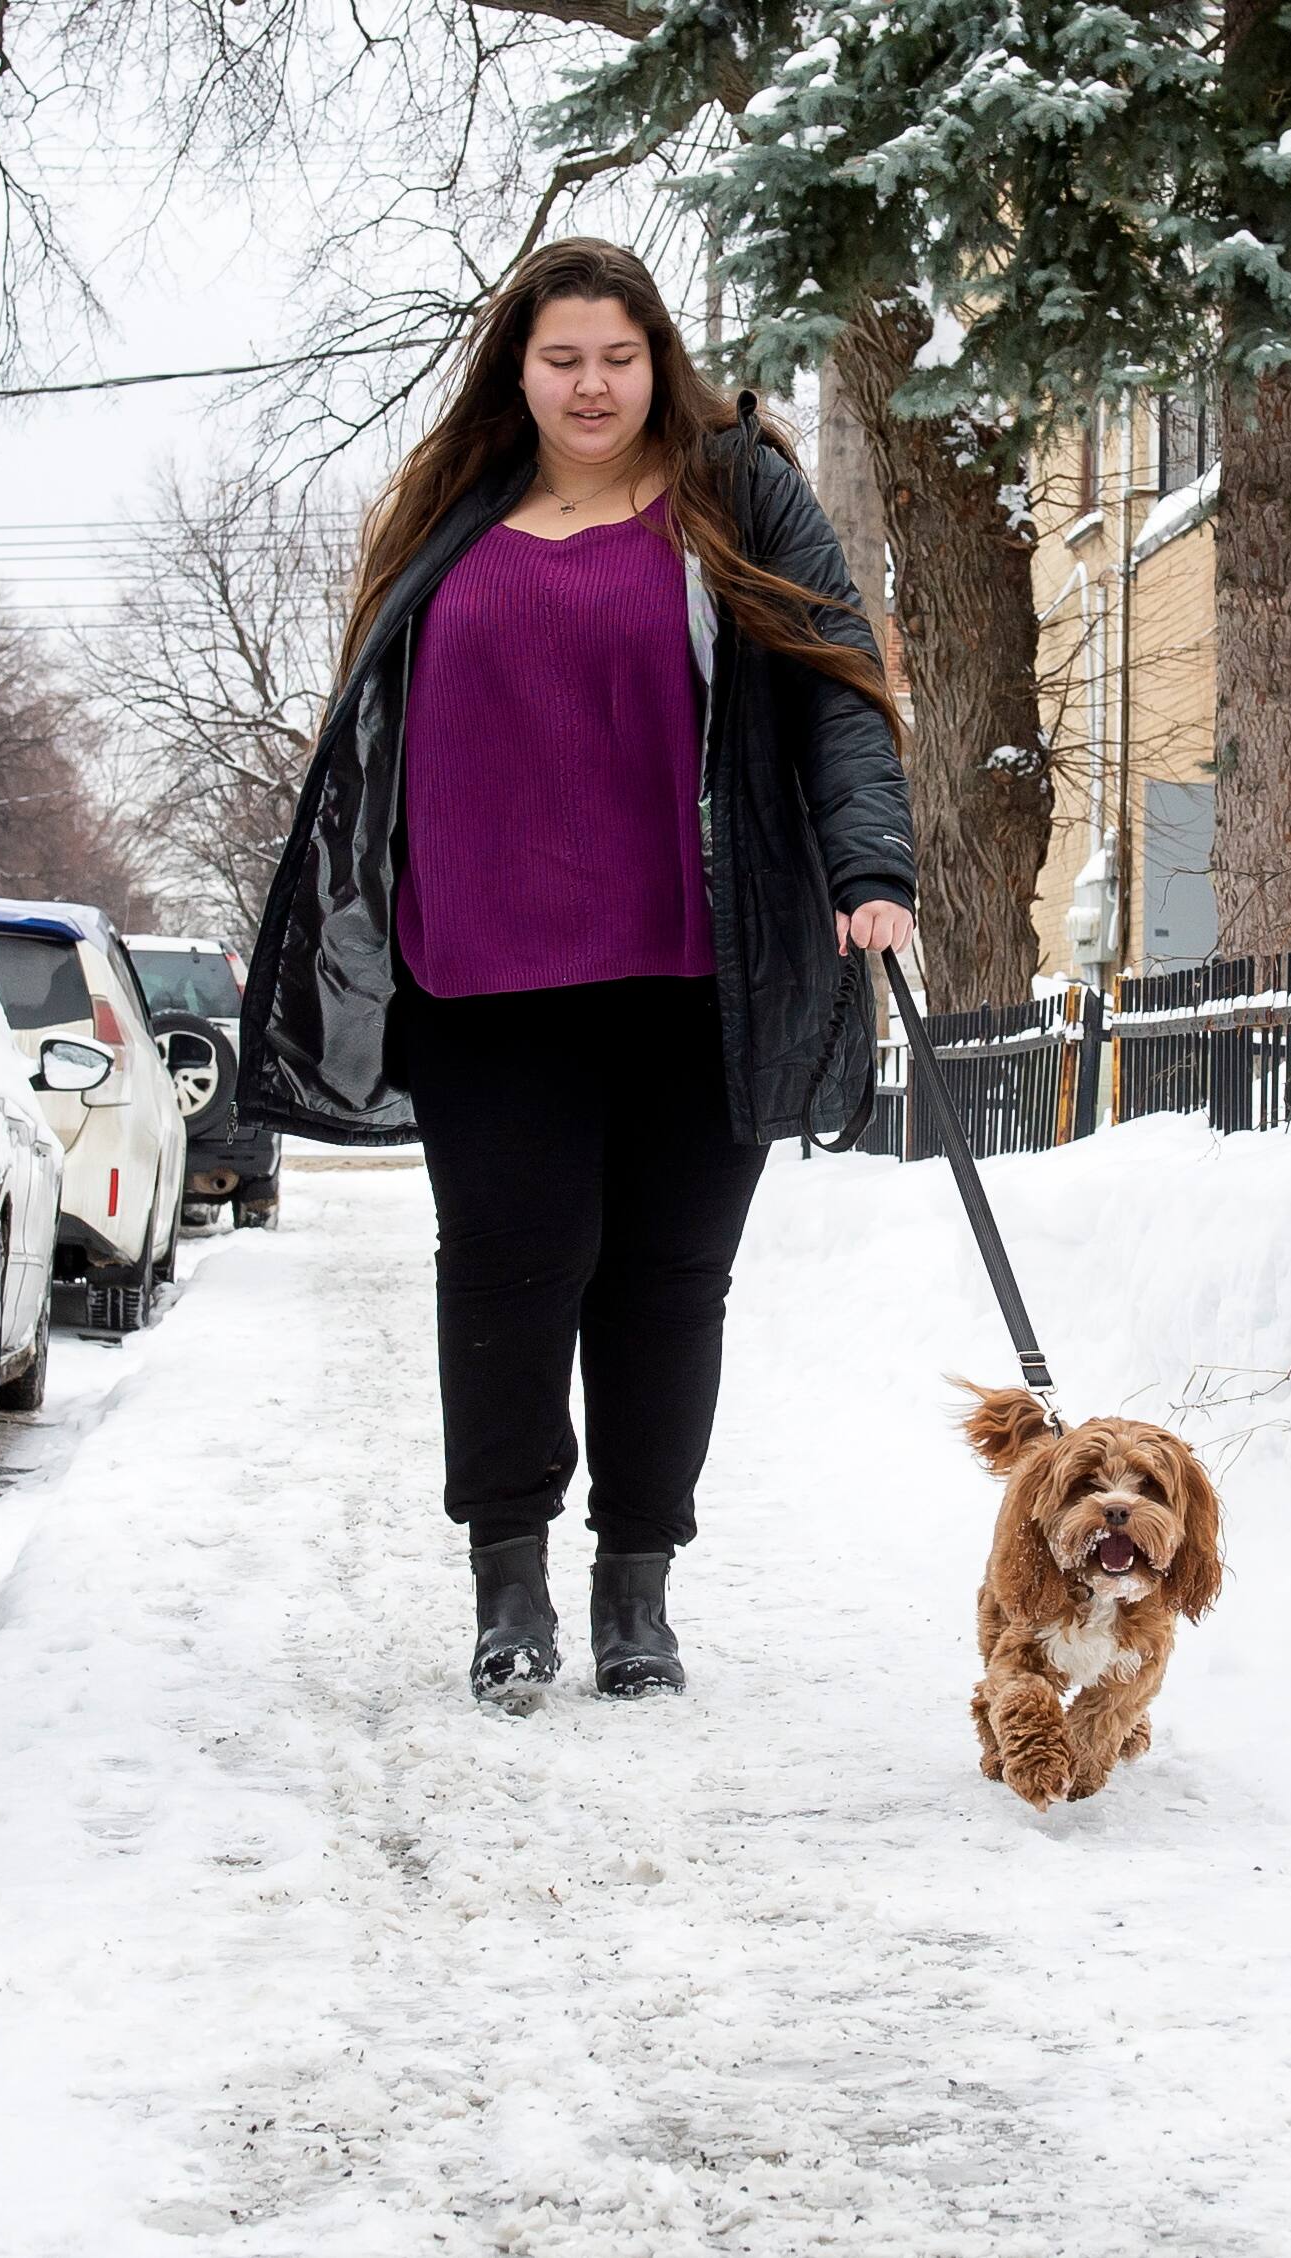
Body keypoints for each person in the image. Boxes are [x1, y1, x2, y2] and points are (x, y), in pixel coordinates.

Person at [237, 237, 915, 1708]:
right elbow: (373, 721)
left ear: (655, 357)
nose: (591, 384)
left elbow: (834, 679)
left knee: (671, 1279)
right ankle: (509, 1579)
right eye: (562, 359)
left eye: (616, 356)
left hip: (696, 964)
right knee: (509, 1266)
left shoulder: (734, 496)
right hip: (483, 974)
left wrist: (869, 869)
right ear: (519, 370)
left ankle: (637, 1589)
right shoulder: (451, 511)